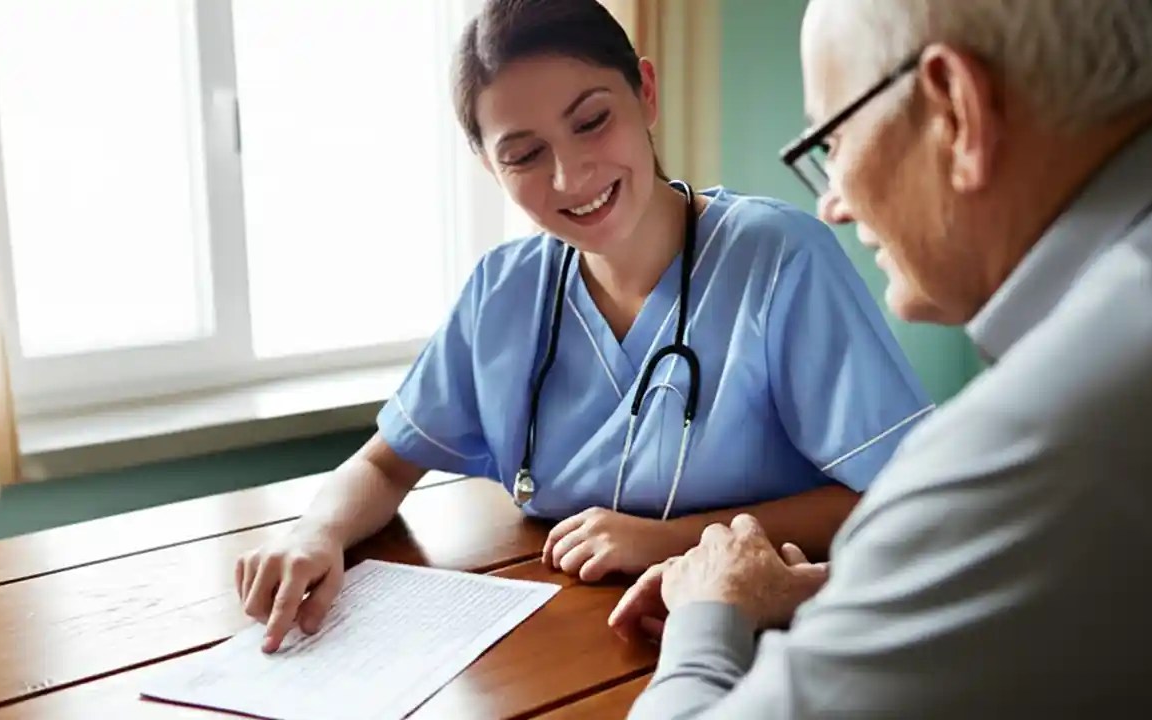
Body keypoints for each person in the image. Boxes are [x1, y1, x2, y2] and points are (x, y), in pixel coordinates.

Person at [236, 0, 931, 654]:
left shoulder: (779, 259)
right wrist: (315, 533)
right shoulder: (503, 292)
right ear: (489, 166)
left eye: (593, 120)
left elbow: (892, 495)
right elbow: (385, 463)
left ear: (646, 95)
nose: (571, 175)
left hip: (760, 641)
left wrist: (666, 539)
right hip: (567, 644)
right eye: (524, 154)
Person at [615, 0, 1152, 716]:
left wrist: (707, 614)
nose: (832, 204)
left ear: (955, 111)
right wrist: (850, 586)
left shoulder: (1041, 440)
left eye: (832, 141)